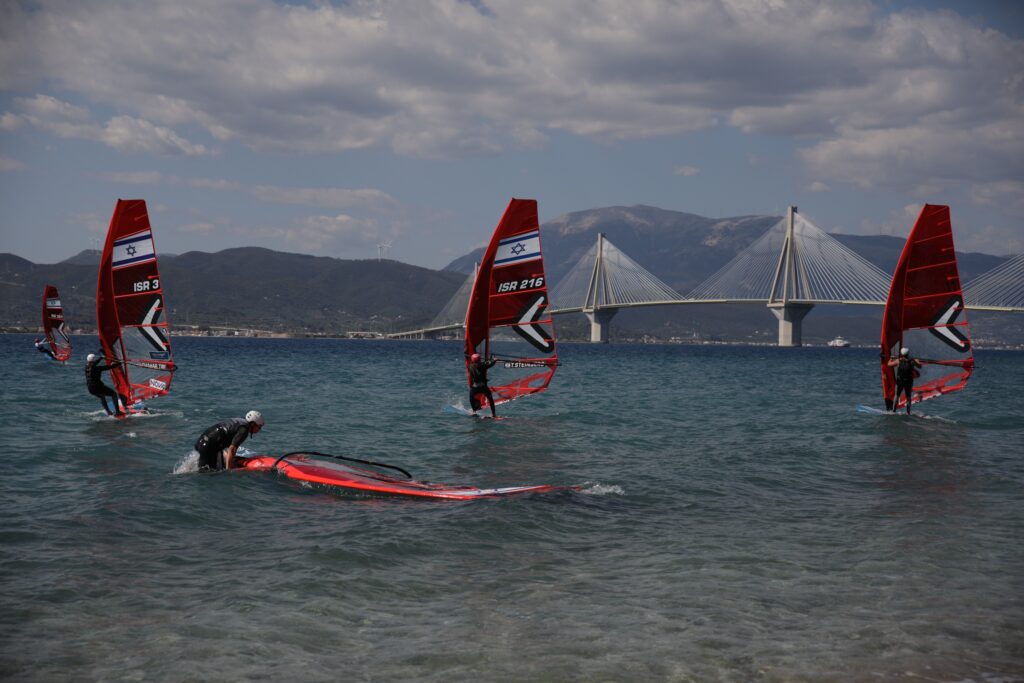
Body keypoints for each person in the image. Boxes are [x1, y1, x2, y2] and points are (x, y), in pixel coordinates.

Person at [193, 411, 265, 471]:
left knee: (215, 467)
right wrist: (229, 470)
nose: (259, 429)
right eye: (259, 427)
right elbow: (232, 449)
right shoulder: (244, 430)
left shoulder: (239, 421)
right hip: (209, 446)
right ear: (252, 424)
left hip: (202, 441)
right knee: (208, 473)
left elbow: (223, 438)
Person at [85, 352, 128, 417]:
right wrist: (120, 363)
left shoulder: (86, 367)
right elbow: (109, 367)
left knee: (102, 396)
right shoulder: (97, 368)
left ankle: (108, 412)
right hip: (97, 387)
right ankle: (117, 412)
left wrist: (101, 358)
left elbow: (94, 363)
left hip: (90, 389)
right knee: (114, 394)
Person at [887, 347, 922, 414]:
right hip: (908, 382)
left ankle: (893, 411)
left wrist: (891, 359)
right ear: (908, 354)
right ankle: (908, 412)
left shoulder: (898, 361)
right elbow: (920, 366)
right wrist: (916, 361)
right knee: (908, 397)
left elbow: (889, 364)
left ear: (901, 353)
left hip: (900, 381)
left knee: (897, 395)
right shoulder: (912, 361)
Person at [467, 352, 498, 418]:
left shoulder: (470, 366)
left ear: (472, 360)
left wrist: (489, 361)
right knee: (490, 399)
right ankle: (494, 414)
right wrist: (494, 360)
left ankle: (474, 411)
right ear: (479, 360)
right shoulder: (482, 365)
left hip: (475, 387)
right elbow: (490, 364)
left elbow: (483, 364)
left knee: (471, 398)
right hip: (483, 387)